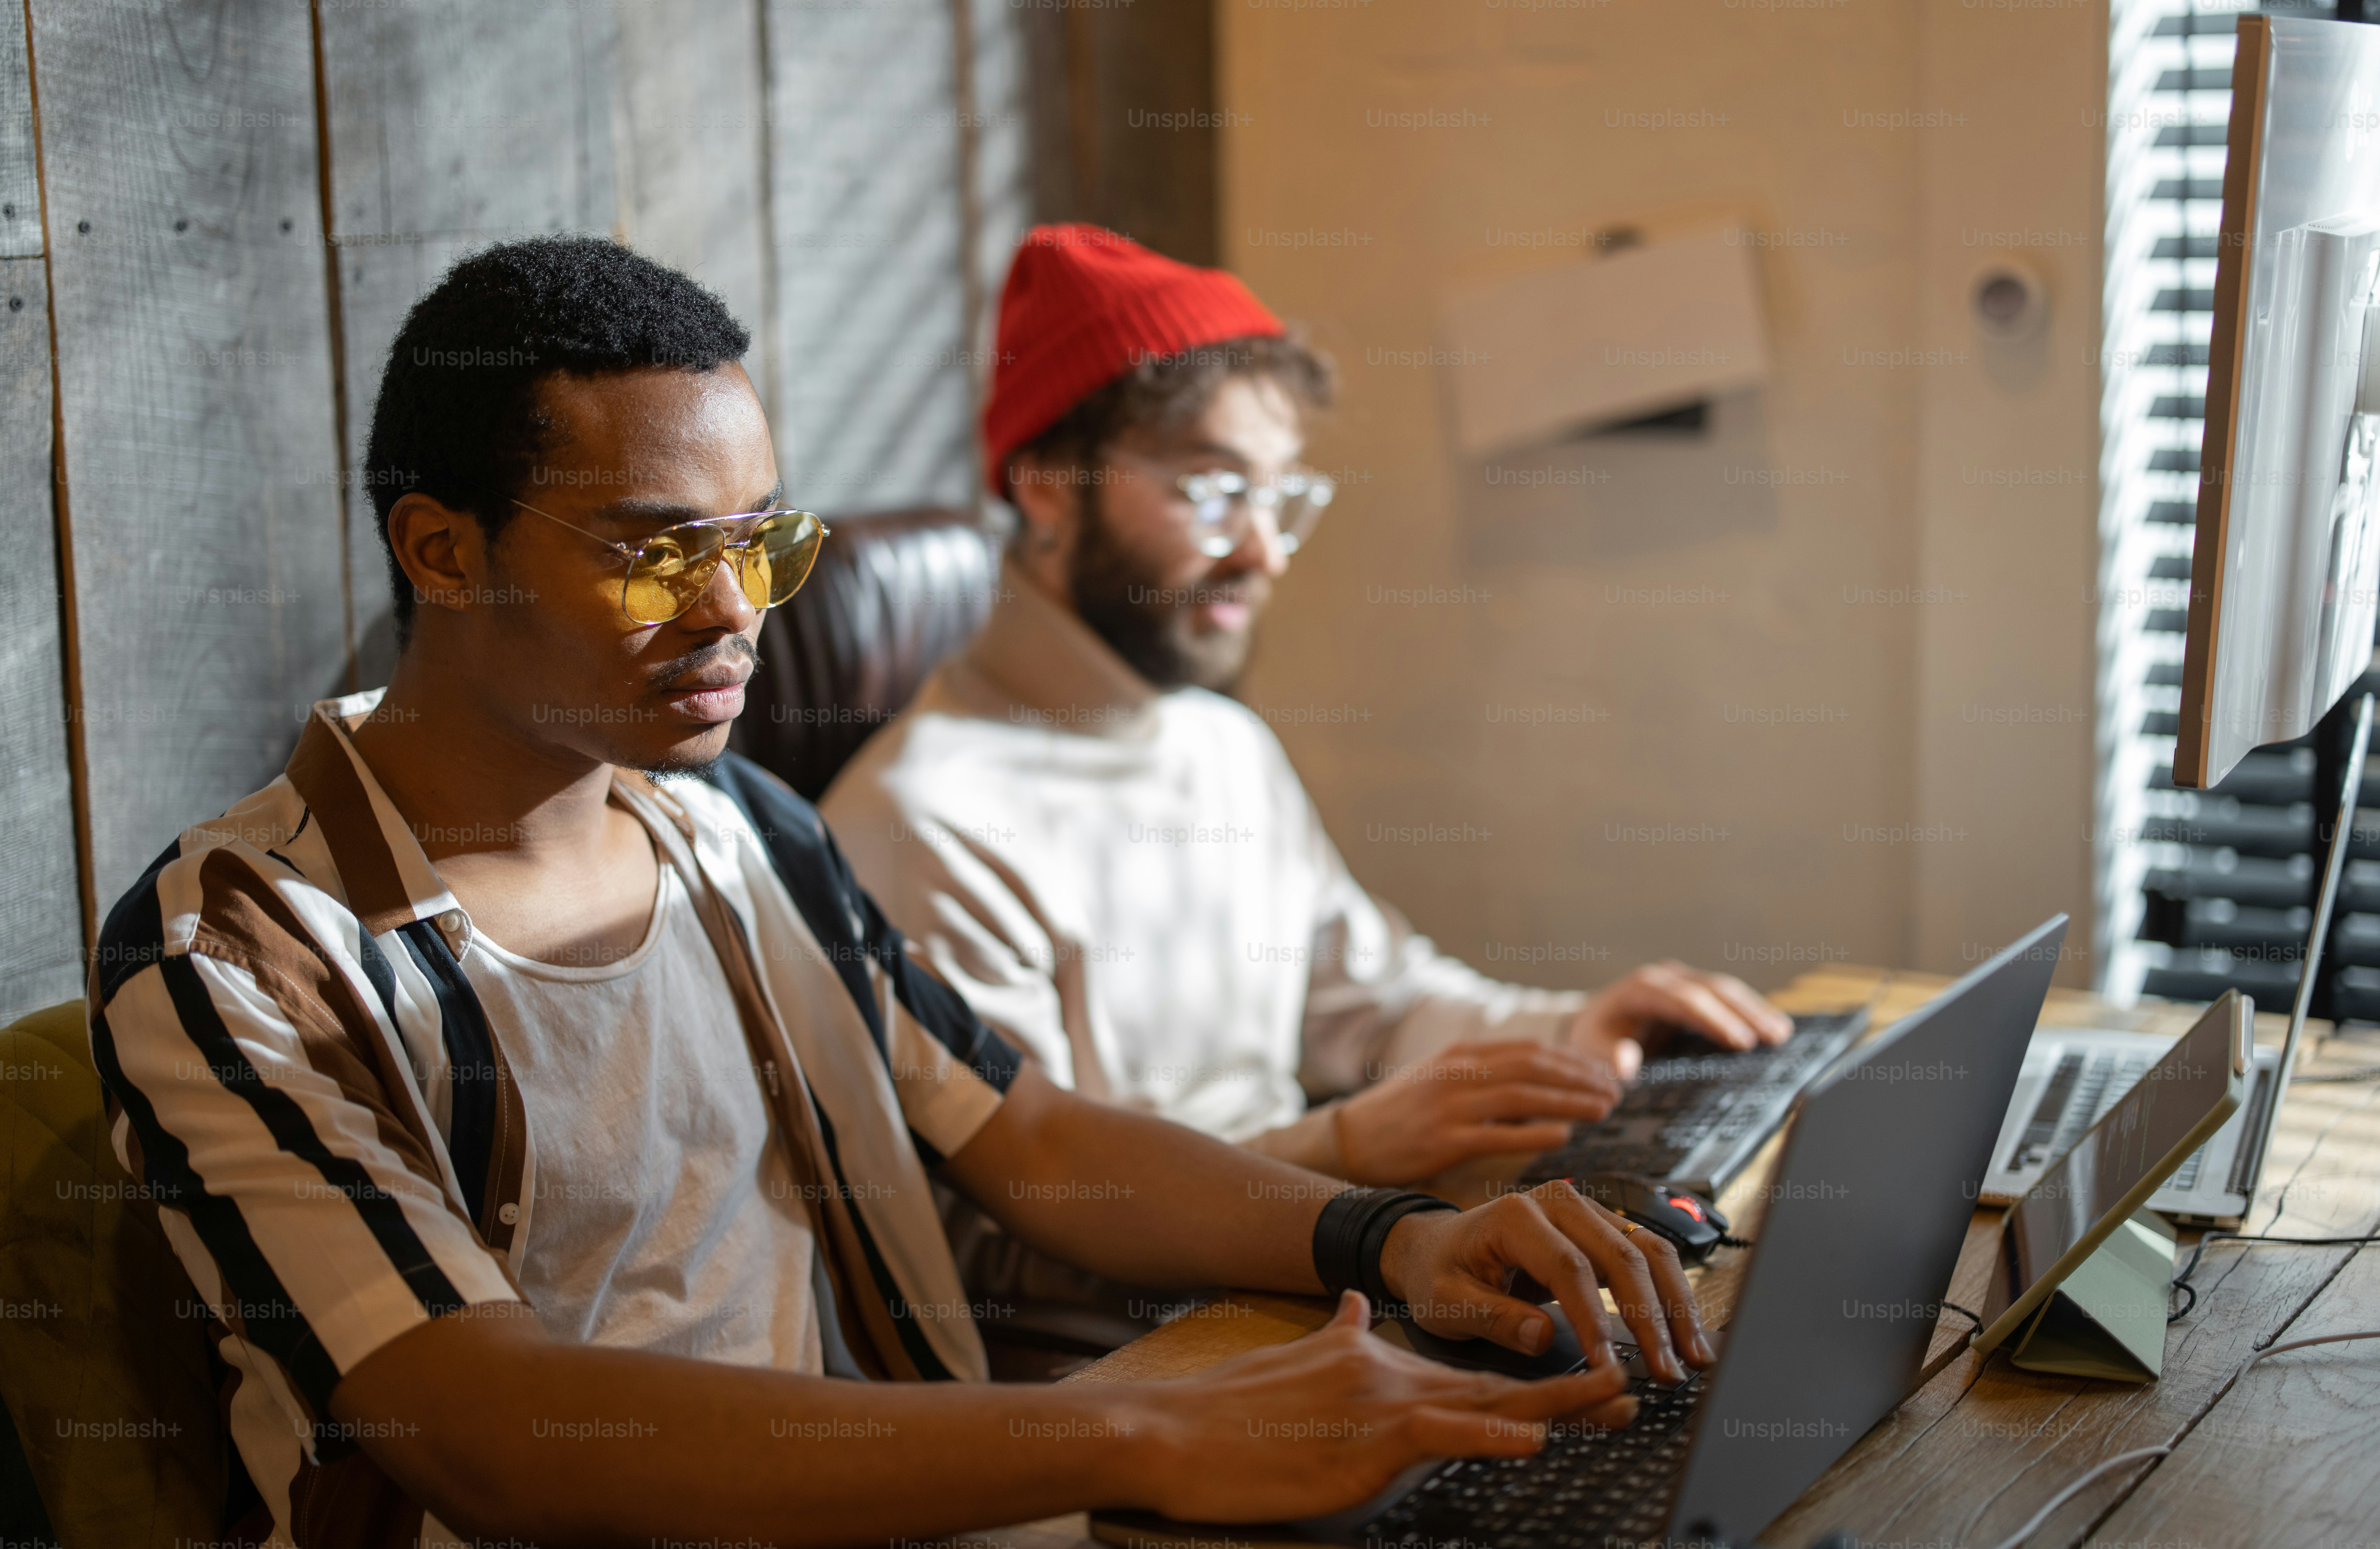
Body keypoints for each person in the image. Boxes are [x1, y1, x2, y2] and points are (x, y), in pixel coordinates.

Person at [87, 237, 1711, 1547]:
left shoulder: (738, 831)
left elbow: (1042, 1140)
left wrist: (1399, 1235)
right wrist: (1141, 1427)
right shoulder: (241, 952)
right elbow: (502, 1433)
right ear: (443, 552)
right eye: (659, 551)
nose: (734, 612)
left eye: (760, 545)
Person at [819, 225, 1794, 1194]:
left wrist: (1578, 1031)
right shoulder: (923, 825)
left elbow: (1373, 1010)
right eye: (1214, 489)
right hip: (1154, 1343)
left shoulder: (1220, 744)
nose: (1267, 552)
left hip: (1308, 1253)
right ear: (1046, 488)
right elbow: (1015, 1241)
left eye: (1281, 496)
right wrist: (1344, 1151)